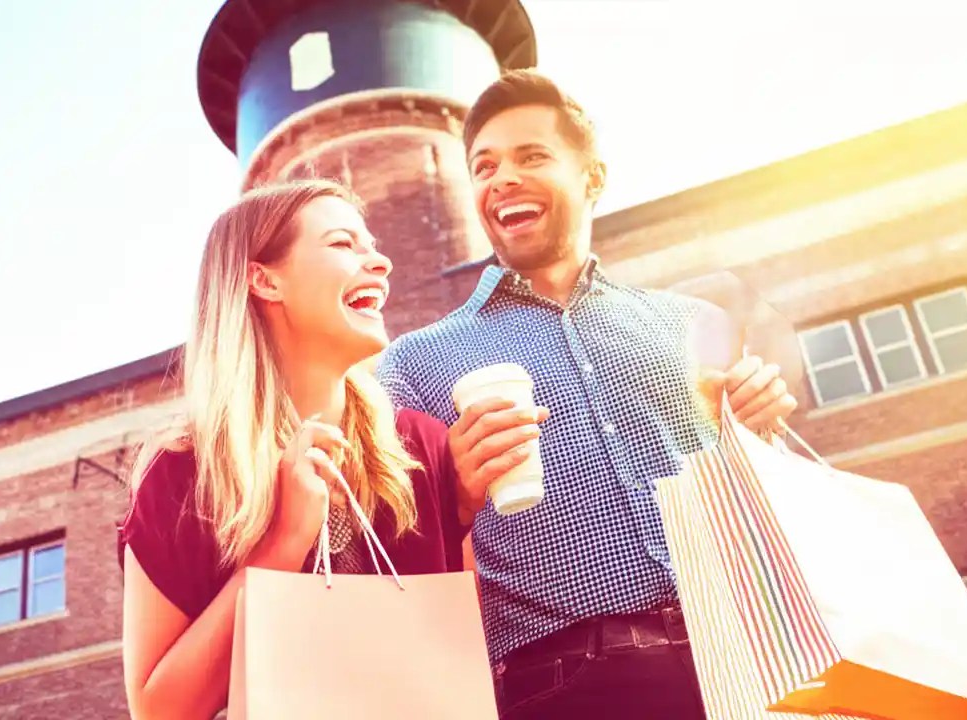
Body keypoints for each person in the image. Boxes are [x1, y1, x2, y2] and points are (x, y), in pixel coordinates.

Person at [376, 70, 799, 719]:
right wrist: (452, 494)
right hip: (565, 684)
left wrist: (755, 432)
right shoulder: (414, 361)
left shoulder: (691, 325)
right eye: (484, 167)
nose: (502, 178)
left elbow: (758, 509)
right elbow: (385, 543)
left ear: (593, 179)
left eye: (532, 156)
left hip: (747, 660)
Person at [117, 180, 468, 719]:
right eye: (343, 243)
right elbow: (158, 711)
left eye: (371, 244)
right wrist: (282, 543)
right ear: (264, 279)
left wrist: (470, 503)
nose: (380, 262)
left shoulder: (423, 447)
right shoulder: (185, 473)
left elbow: (469, 647)